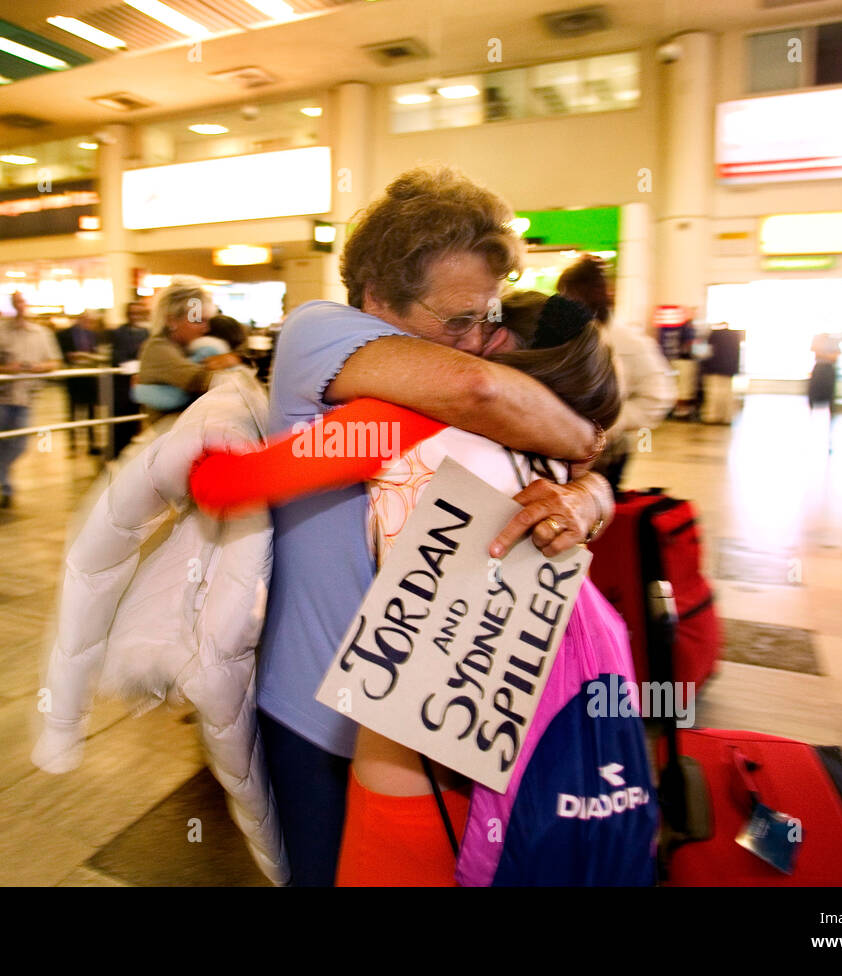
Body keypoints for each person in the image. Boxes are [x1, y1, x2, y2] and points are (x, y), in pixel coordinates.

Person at [254, 165, 606, 885]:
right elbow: (475, 387)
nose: (478, 340)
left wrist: (588, 497)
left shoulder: (482, 377)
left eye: (489, 316)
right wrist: (589, 440)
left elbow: (576, 476)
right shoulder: (316, 333)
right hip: (321, 720)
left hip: (447, 717)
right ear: (377, 299)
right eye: (456, 321)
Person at [337, 323, 626, 885]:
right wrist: (590, 473)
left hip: (417, 758)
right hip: (529, 758)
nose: (461, 342)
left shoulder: (411, 428)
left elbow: (237, 478)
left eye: (480, 329)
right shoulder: (557, 461)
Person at [552, 256, 674, 490]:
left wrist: (608, 425)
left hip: (606, 455)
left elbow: (658, 395)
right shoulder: (567, 338)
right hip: (567, 448)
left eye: (566, 294)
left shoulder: (629, 342)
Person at [0, 292, 60, 508]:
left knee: (19, 444)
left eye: (23, 302)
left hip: (24, 396)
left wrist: (38, 368)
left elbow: (54, 361)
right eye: (16, 302)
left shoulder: (40, 333)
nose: (20, 306)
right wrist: (6, 369)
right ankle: (6, 488)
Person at [135, 279, 241, 422]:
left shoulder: (188, 348)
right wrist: (234, 364)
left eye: (207, 321)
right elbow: (197, 380)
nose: (206, 328)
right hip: (168, 437)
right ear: (171, 320)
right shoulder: (157, 348)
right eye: (198, 321)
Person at [57, 310, 103, 456]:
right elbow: (60, 354)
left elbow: (96, 353)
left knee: (91, 412)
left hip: (89, 377)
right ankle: (73, 444)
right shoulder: (64, 334)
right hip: (74, 378)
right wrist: (70, 357)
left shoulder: (92, 334)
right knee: (73, 411)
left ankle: (92, 443)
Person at [109, 301, 150, 458]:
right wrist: (137, 368)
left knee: (136, 422)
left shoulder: (146, 332)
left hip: (140, 385)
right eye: (133, 313)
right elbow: (117, 357)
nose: (136, 316)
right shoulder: (118, 333)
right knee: (121, 423)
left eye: (139, 313)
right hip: (122, 387)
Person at [700, 321, 744, 424]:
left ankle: (713, 417)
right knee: (727, 394)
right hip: (729, 370)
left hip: (714, 368)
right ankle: (726, 417)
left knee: (714, 393)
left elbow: (706, 351)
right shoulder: (735, 336)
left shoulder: (713, 335)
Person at [809, 332, 840, 409]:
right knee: (814, 391)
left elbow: (834, 357)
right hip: (819, 367)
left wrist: (823, 354)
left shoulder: (833, 340)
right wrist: (828, 355)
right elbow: (816, 353)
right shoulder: (817, 338)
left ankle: (830, 409)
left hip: (829, 368)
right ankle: (812, 408)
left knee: (829, 391)